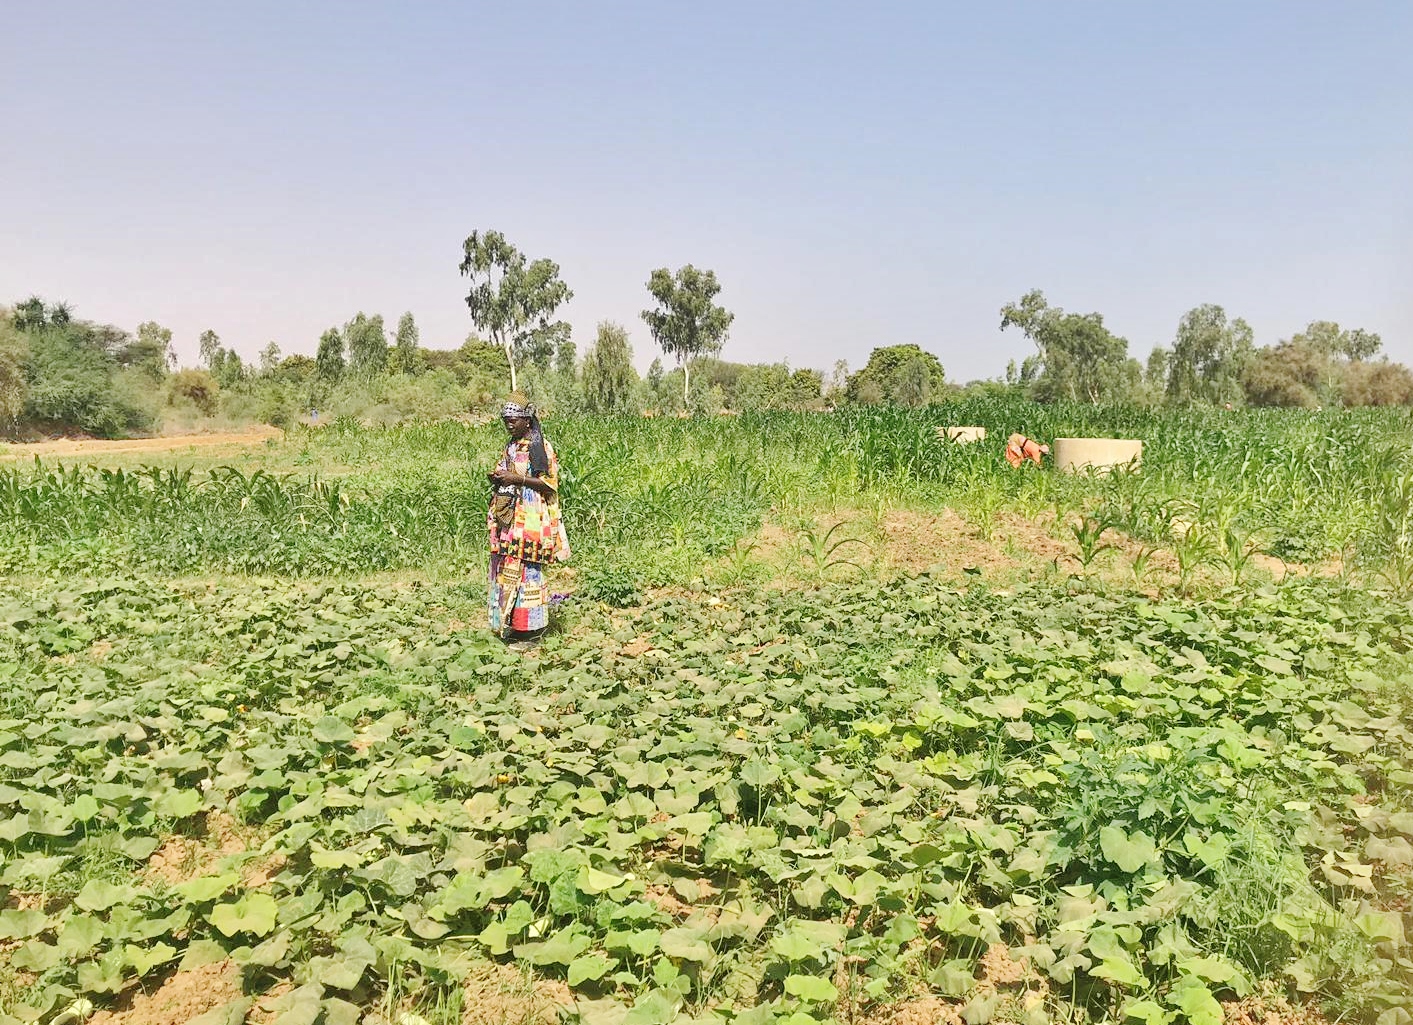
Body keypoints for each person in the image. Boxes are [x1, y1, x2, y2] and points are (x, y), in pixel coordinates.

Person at [487, 393, 570, 642]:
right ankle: (511, 624)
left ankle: (532, 630)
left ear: (526, 420)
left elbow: (549, 484)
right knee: (507, 567)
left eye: (513, 420)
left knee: (528, 571)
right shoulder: (511, 446)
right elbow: (507, 469)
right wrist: (499, 477)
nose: (509, 425)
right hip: (510, 514)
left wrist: (518, 479)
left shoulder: (540, 446)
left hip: (531, 516)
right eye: (506, 421)